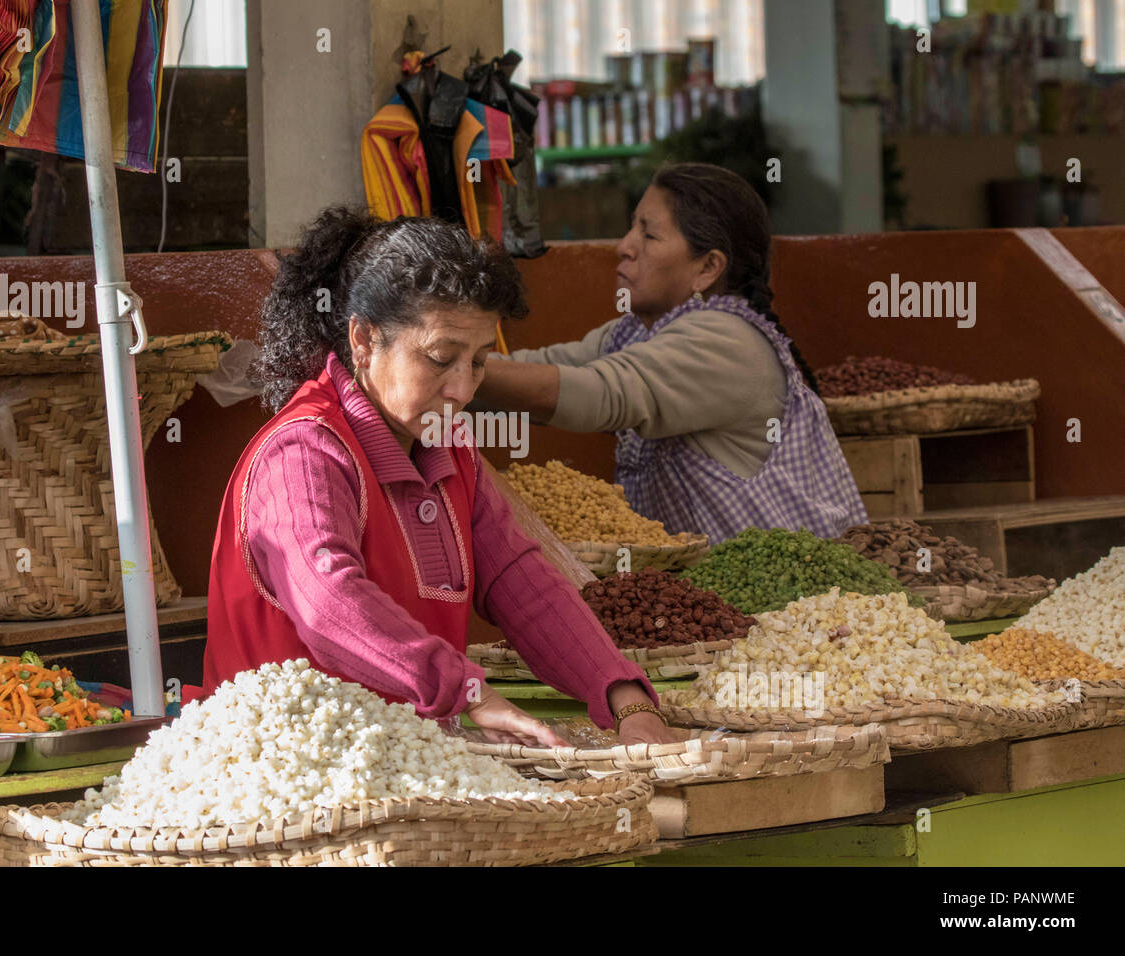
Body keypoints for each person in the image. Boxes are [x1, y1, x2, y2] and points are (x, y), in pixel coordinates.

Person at [201, 207, 683, 746]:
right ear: (363, 340)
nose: (462, 390)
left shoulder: (451, 450)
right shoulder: (303, 451)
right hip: (281, 770)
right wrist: (468, 691)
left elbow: (520, 581)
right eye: (439, 358)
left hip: (401, 768)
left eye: (477, 362)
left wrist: (624, 698)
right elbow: (330, 603)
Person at [476, 162, 867, 544]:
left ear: (708, 267)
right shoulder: (636, 332)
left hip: (785, 596)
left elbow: (600, 393)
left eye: (649, 235)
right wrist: (443, 368)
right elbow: (545, 368)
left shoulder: (726, 340)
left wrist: (453, 367)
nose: (624, 247)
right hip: (700, 594)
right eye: (632, 227)